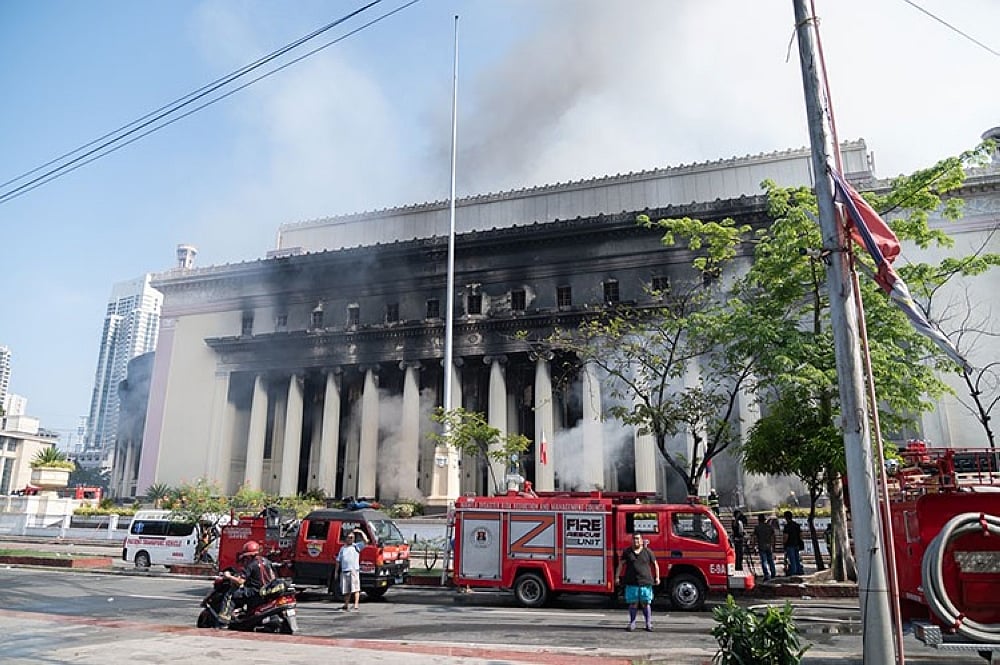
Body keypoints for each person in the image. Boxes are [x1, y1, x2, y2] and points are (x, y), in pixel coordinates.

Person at [219, 540, 275, 622]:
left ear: (249, 555)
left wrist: (229, 576)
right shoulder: (266, 561)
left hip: (255, 591)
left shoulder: (251, 565)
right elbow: (273, 577)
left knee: (230, 595)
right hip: (266, 591)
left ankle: (223, 621)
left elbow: (240, 581)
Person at [616, 533, 660, 632]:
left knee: (645, 603)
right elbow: (620, 565)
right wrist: (617, 577)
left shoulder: (648, 552)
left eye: (638, 539)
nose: (636, 541)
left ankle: (648, 623)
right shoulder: (627, 552)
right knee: (633, 604)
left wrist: (657, 577)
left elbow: (655, 565)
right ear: (631, 540)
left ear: (641, 540)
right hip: (631, 582)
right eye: (634, 539)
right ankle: (632, 623)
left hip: (646, 582)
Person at [335, 527, 370, 611]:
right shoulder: (343, 548)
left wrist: (360, 532)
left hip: (354, 571)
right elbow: (338, 560)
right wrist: (336, 572)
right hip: (345, 571)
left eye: (352, 537)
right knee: (346, 590)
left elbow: (366, 541)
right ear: (346, 538)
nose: (351, 539)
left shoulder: (356, 546)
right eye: (349, 537)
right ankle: (346, 604)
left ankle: (356, 605)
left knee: (356, 589)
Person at [753, 514, 777, 580]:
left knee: (764, 561)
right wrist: (773, 545)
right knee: (770, 560)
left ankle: (766, 575)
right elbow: (773, 537)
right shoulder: (769, 527)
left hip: (761, 546)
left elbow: (754, 538)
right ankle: (773, 573)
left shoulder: (757, 527)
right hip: (769, 545)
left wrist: (754, 546)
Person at [783, 511, 804, 576]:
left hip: (790, 545)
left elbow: (786, 537)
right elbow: (801, 536)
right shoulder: (797, 525)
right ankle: (799, 571)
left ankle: (794, 573)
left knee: (792, 560)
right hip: (796, 544)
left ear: (786, 517)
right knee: (797, 559)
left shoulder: (787, 526)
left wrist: (784, 544)